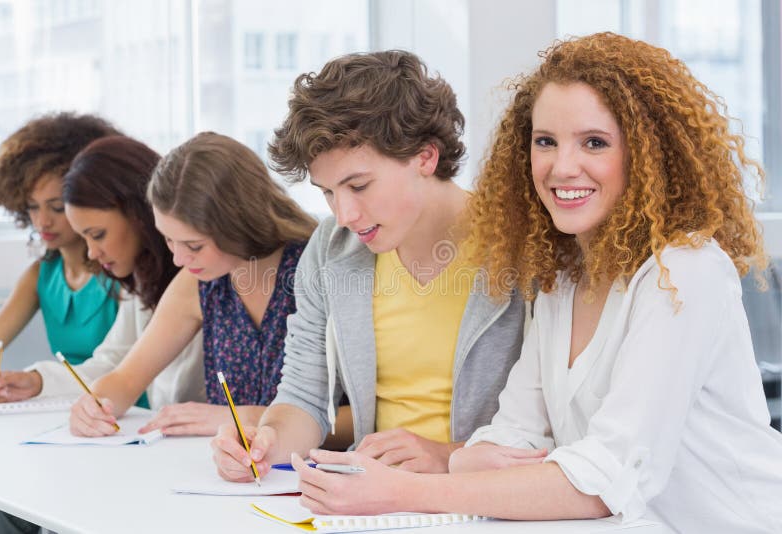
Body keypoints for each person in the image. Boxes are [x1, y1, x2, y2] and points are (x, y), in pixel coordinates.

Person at [278, 33, 782, 534]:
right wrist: (452, 461)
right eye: (545, 142)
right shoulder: (561, 276)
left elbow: (605, 476)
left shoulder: (685, 270)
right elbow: (514, 435)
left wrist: (401, 490)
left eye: (594, 142)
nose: (562, 167)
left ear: (648, 153)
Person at [211, 50, 524, 482]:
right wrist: (262, 444)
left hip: (487, 501)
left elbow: (555, 425)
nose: (344, 214)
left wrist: (448, 455)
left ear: (426, 157)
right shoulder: (332, 248)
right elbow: (303, 395)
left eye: (358, 185)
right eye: (327, 193)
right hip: (375, 499)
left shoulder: (522, 246)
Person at [67, 132, 332, 439]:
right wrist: (94, 403)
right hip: (233, 473)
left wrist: (244, 418)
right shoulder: (199, 282)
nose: (178, 259)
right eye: (169, 239)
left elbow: (362, 422)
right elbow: (126, 379)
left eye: (193, 245)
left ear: (238, 224)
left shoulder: (318, 268)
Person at [0, 135, 206, 413]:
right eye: (84, 237)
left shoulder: (201, 275)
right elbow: (113, 362)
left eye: (98, 235)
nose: (91, 254)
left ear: (139, 214)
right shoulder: (142, 280)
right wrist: (37, 381)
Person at [0, 114, 121, 534]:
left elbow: (121, 368)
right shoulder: (41, 275)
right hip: (55, 416)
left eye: (57, 208)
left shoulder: (123, 273)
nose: (43, 221)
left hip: (113, 418)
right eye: (31, 208)